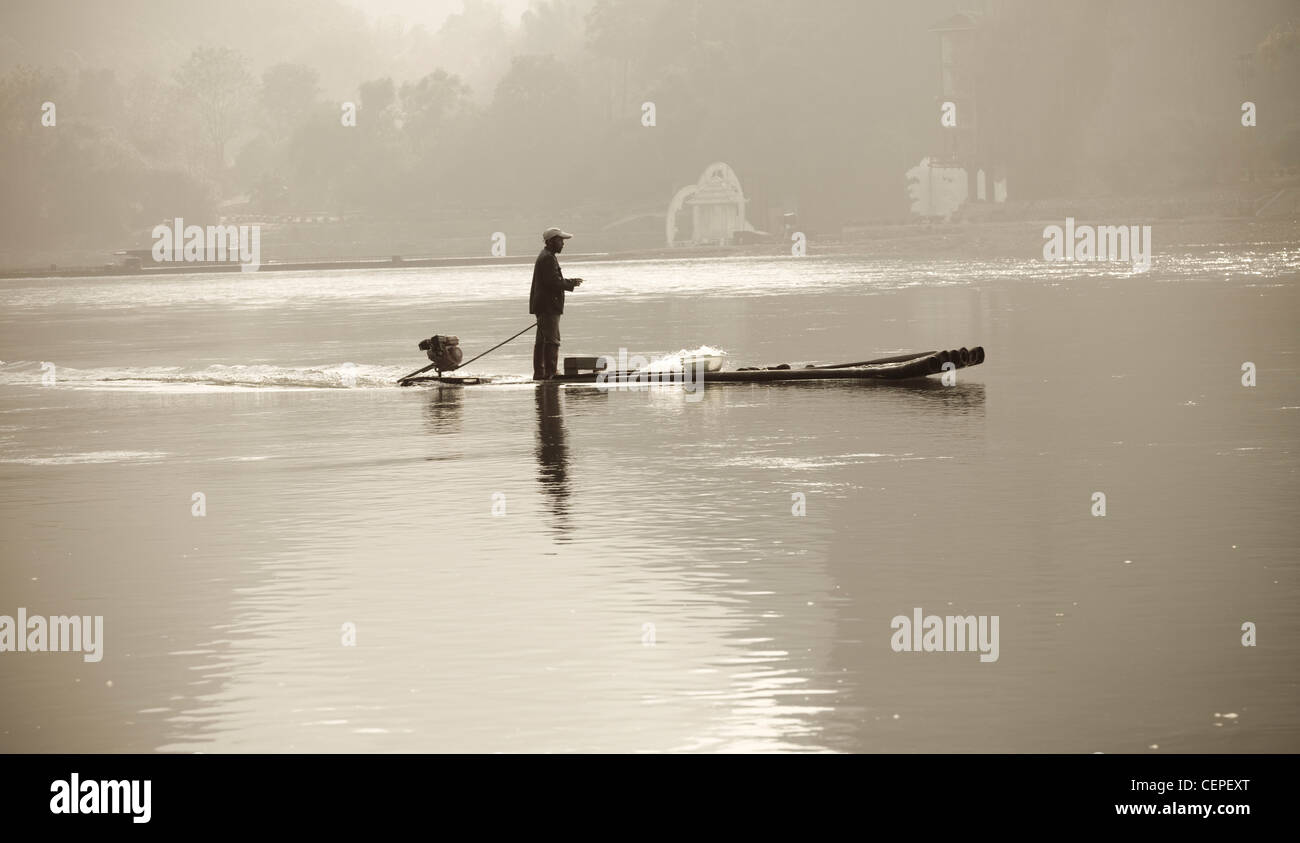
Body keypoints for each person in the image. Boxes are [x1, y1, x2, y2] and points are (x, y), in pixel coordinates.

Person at [529, 227, 583, 380]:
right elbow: (553, 282)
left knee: (542, 341)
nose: (563, 244)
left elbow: (551, 280)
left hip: (543, 306)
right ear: (551, 241)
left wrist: (568, 282)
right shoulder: (547, 258)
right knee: (552, 340)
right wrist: (570, 283)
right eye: (561, 241)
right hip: (548, 307)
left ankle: (540, 373)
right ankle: (551, 372)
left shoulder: (546, 255)